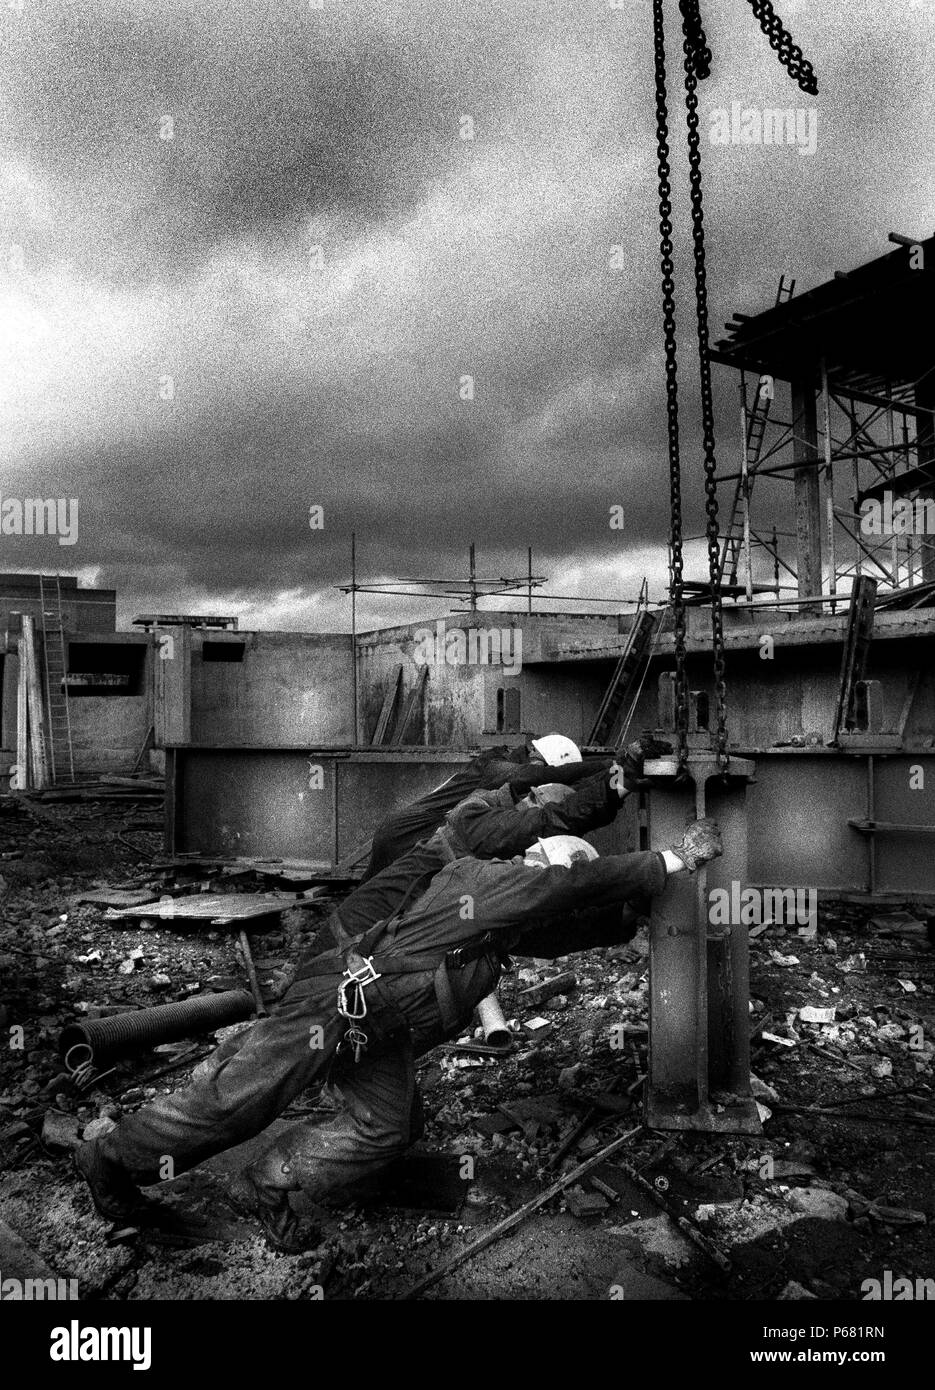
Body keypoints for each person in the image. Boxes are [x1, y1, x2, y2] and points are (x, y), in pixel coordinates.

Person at [75, 807, 722, 1252]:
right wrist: (667, 860)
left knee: (387, 1129)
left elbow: (559, 929)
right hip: (330, 1009)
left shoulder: (498, 918)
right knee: (232, 1106)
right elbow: (560, 892)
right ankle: (110, 1164)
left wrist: (626, 918)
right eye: (559, 886)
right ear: (538, 868)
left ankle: (268, 1179)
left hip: (374, 1030)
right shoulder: (483, 880)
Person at [361, 732, 609, 879]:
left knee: (380, 892)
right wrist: (609, 766)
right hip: (407, 833)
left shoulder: (493, 765)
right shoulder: (494, 768)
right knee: (385, 899)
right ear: (538, 759)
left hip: (407, 829)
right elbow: (532, 777)